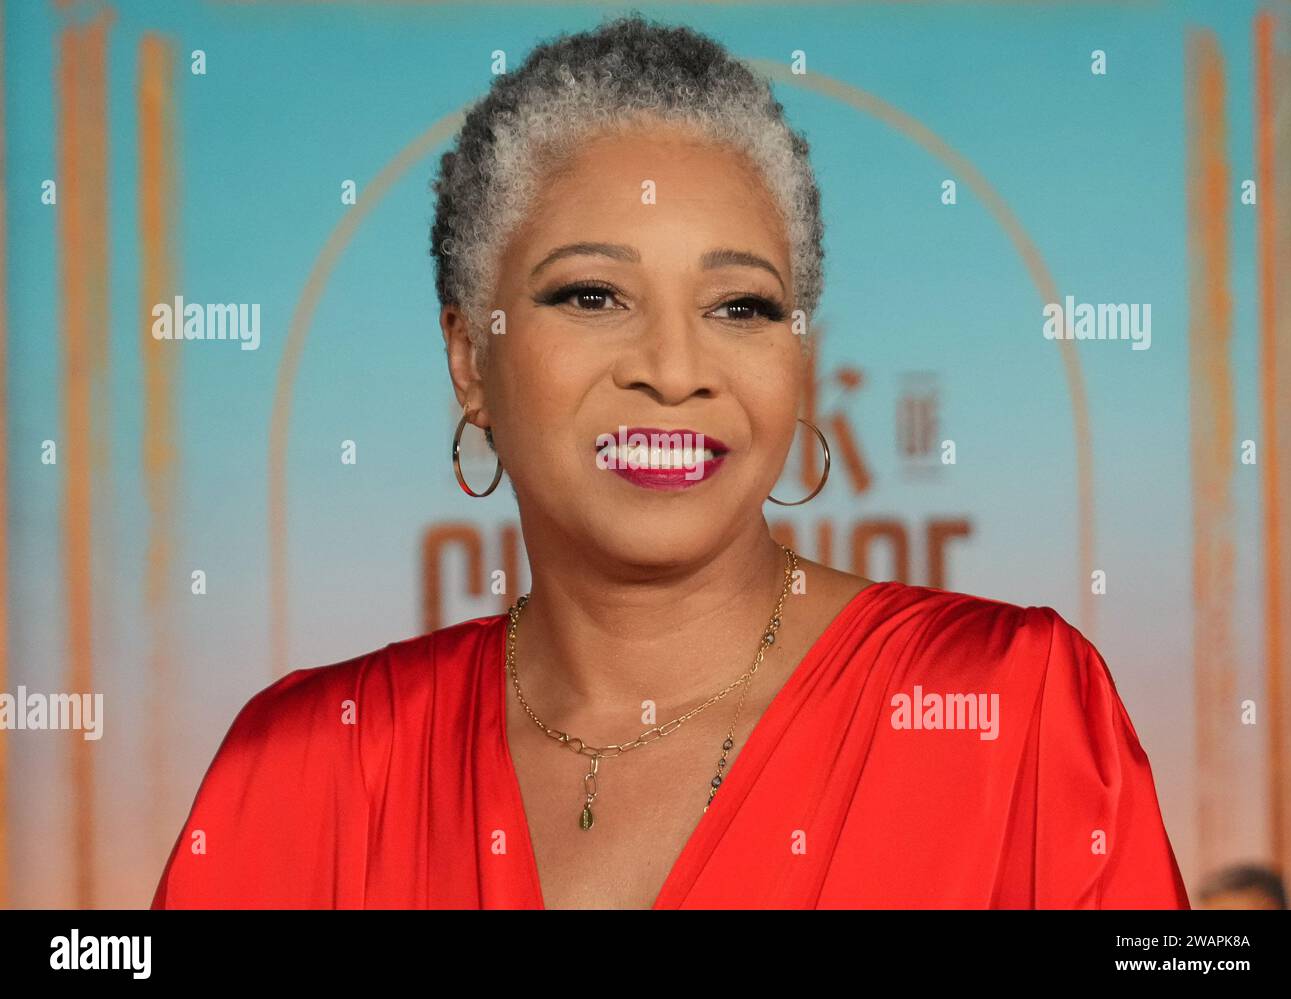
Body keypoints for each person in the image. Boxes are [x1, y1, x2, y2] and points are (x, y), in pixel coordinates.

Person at [151, 12, 1189, 909]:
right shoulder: (302, 770)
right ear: (471, 357)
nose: (674, 368)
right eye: (592, 296)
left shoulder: (1012, 715)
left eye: (740, 306)